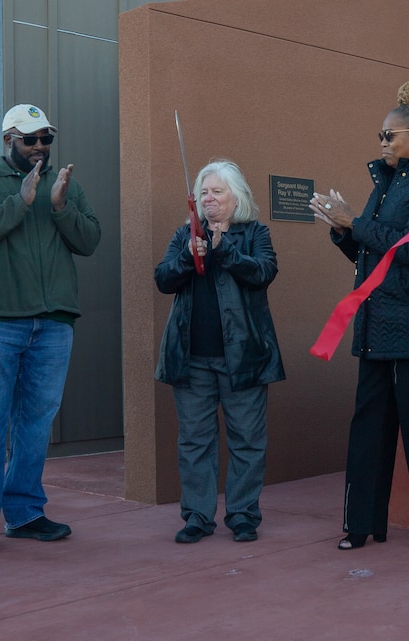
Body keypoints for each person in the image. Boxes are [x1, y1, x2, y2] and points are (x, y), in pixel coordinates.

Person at [309, 82, 409, 551]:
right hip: (376, 322)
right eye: (380, 136)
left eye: (389, 135)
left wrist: (353, 223)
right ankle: (361, 525)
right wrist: (344, 233)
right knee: (368, 428)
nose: (381, 143)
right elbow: (374, 258)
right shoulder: (385, 182)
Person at [0, 104, 101, 555]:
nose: (39, 147)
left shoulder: (66, 187)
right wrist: (20, 202)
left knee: (36, 424)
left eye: (46, 139)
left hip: (53, 323)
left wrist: (59, 207)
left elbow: (89, 241)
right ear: (8, 140)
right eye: (29, 139)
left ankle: (25, 513)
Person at [155, 160, 285, 544]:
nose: (210, 199)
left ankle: (243, 515)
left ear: (236, 196)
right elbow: (163, 279)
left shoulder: (254, 233)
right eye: (204, 192)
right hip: (191, 359)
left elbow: (264, 272)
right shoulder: (184, 235)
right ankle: (197, 516)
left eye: (218, 191)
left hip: (244, 359)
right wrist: (187, 255)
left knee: (247, 439)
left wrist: (222, 248)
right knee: (195, 441)